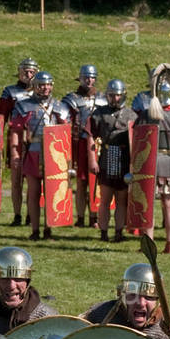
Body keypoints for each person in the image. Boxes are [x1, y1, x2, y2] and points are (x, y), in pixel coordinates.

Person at [10, 70, 71, 242]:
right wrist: (15, 153)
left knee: (52, 193)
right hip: (33, 152)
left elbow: (65, 133)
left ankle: (49, 228)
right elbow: (16, 131)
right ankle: (35, 229)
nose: (45, 88)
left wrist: (66, 159)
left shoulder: (60, 106)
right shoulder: (23, 105)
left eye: (48, 84)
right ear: (35, 86)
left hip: (54, 155)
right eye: (42, 85)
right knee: (34, 192)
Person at [135, 65, 170, 252]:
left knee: (147, 205)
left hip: (150, 163)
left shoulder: (147, 114)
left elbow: (138, 141)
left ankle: (148, 245)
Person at [88, 79, 134, 243]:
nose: (114, 98)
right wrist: (92, 160)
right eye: (111, 95)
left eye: (117, 95)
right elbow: (91, 137)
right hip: (107, 157)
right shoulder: (99, 114)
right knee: (105, 200)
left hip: (124, 159)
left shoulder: (131, 115)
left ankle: (119, 232)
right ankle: (104, 232)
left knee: (122, 200)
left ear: (123, 96)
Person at [61, 64, 105, 228]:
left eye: (92, 77)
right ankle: (80, 217)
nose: (89, 80)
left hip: (97, 144)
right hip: (78, 143)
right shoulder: (70, 99)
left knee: (96, 181)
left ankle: (94, 217)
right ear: (79, 78)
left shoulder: (103, 99)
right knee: (81, 182)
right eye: (86, 77)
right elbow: (64, 122)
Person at [0, 58, 37, 227]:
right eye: (25, 71)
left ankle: (30, 214)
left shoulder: (40, 92)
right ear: (19, 72)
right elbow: (1, 117)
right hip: (16, 137)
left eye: (31, 71)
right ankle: (17, 214)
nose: (28, 75)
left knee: (32, 179)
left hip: (35, 140)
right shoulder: (10, 92)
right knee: (16, 179)